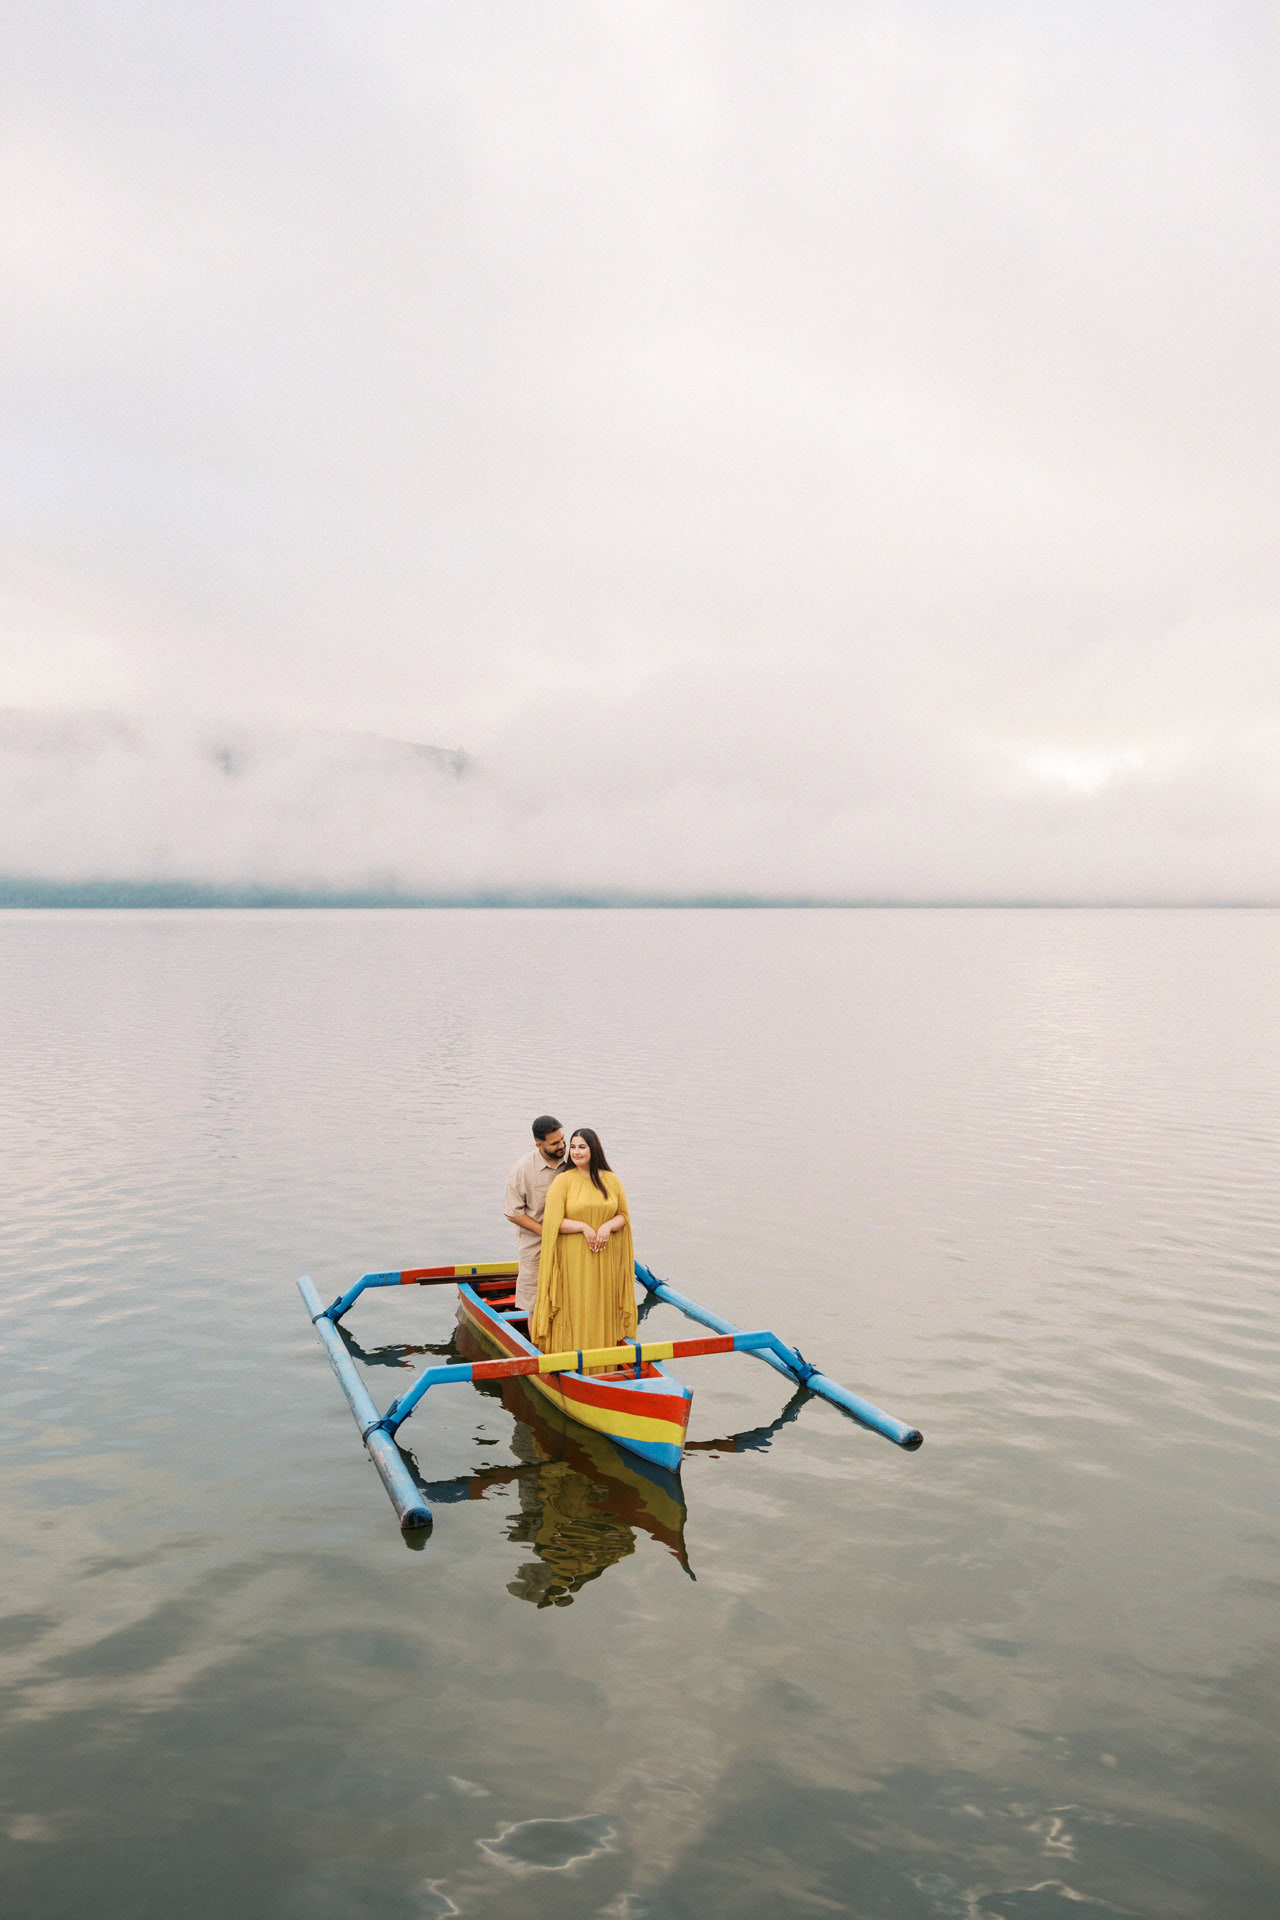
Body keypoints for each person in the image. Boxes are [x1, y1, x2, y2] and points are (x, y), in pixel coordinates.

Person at [530, 1127, 637, 1363]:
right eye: (573, 1147)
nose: (576, 1152)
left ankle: (605, 1360)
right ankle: (569, 1359)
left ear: (593, 1149)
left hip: (605, 1258)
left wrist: (607, 1226)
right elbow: (552, 1222)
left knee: (602, 1306)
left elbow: (623, 1216)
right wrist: (583, 1227)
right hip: (574, 1259)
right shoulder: (563, 1181)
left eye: (582, 1147)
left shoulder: (611, 1180)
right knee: (577, 1306)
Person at [504, 1116, 569, 1315]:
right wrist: (546, 1233)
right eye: (555, 1143)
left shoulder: (574, 1161)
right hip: (535, 1246)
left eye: (563, 1139)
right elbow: (513, 1212)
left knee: (569, 1299)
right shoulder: (523, 1169)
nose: (562, 1146)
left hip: (571, 1243)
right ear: (539, 1145)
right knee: (535, 1305)